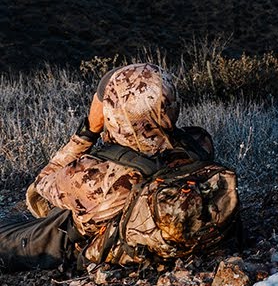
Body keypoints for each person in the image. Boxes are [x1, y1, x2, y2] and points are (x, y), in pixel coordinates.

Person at [0, 63, 222, 272]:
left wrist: (88, 131)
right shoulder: (198, 142)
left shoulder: (98, 177)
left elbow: (41, 185)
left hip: (64, 241)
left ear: (116, 115)